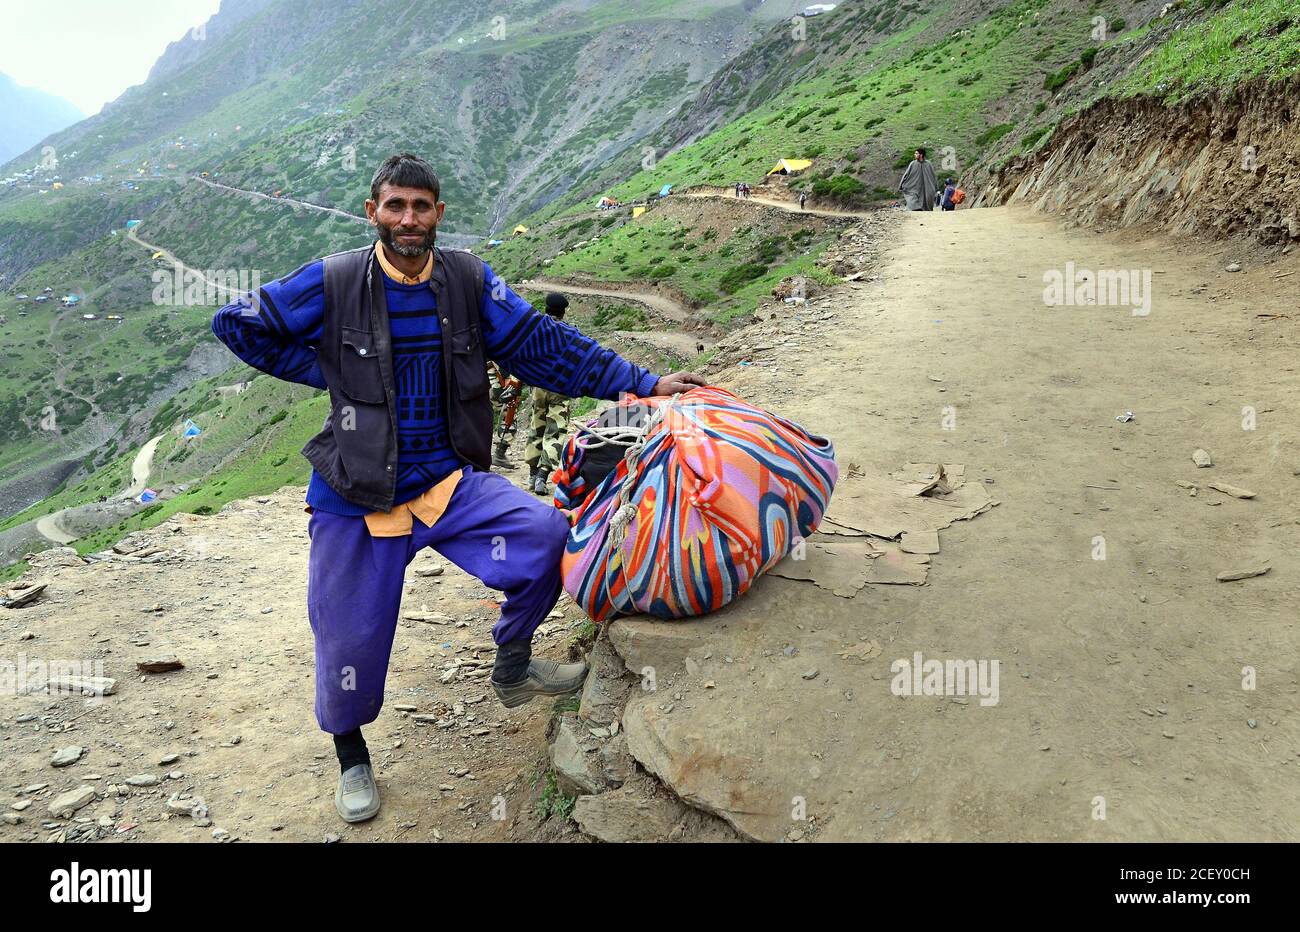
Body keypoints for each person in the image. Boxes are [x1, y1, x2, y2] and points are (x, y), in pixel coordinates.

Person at [211, 153, 705, 824]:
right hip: (357, 492)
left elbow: (538, 342)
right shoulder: (332, 281)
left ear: (439, 213)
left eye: (421, 206)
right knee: (347, 641)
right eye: (395, 206)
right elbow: (238, 323)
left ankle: (514, 662)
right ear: (373, 212)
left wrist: (643, 383)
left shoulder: (467, 280)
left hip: (445, 480)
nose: (408, 218)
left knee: (544, 539)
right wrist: (328, 369)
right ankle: (351, 755)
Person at [523, 293, 574, 496]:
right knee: (556, 430)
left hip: (538, 387)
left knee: (537, 427)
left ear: (546, 309)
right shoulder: (569, 332)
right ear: (563, 312)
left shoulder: (535, 331)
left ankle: (532, 474)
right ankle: (543, 477)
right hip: (559, 388)